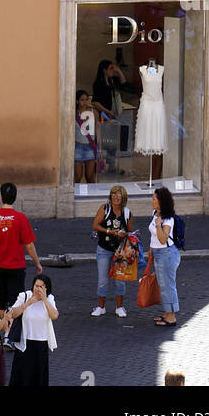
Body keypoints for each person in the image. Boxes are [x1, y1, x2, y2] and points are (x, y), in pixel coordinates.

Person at [0, 182, 42, 315]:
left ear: (1, 197)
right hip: (16, 266)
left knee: (1, 298)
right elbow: (29, 245)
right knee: (17, 299)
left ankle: (3, 327)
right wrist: (37, 263)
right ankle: (12, 328)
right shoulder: (21, 218)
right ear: (15, 197)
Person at [6, 273, 59, 387]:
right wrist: (28, 303)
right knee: (22, 376)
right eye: (36, 286)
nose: (38, 289)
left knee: (39, 376)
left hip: (41, 343)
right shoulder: (24, 296)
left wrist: (44, 299)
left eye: (41, 287)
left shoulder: (50, 298)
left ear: (46, 288)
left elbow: (54, 316)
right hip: (25, 343)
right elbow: (13, 314)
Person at [91, 184, 134, 318]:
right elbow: (95, 225)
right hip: (103, 249)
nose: (116, 197)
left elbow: (130, 231)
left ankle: (120, 307)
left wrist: (123, 234)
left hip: (120, 252)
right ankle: (101, 307)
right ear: (110, 196)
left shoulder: (127, 213)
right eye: (113, 194)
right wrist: (109, 231)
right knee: (103, 279)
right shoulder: (105, 209)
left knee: (119, 279)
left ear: (123, 197)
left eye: (118, 194)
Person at [149, 186, 181, 326]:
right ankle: (167, 313)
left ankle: (171, 317)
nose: (152, 201)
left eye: (154, 198)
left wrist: (158, 225)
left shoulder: (168, 220)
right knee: (164, 285)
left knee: (168, 285)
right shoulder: (155, 213)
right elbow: (154, 237)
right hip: (158, 253)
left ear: (161, 201)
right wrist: (151, 249)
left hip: (166, 255)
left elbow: (163, 239)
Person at [75, 90, 99, 185]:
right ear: (77, 101)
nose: (84, 102)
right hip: (78, 147)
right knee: (77, 176)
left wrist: (99, 147)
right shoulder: (74, 113)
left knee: (90, 176)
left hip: (90, 146)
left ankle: (92, 197)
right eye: (82, 100)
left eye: (86, 99)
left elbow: (97, 130)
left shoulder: (94, 112)